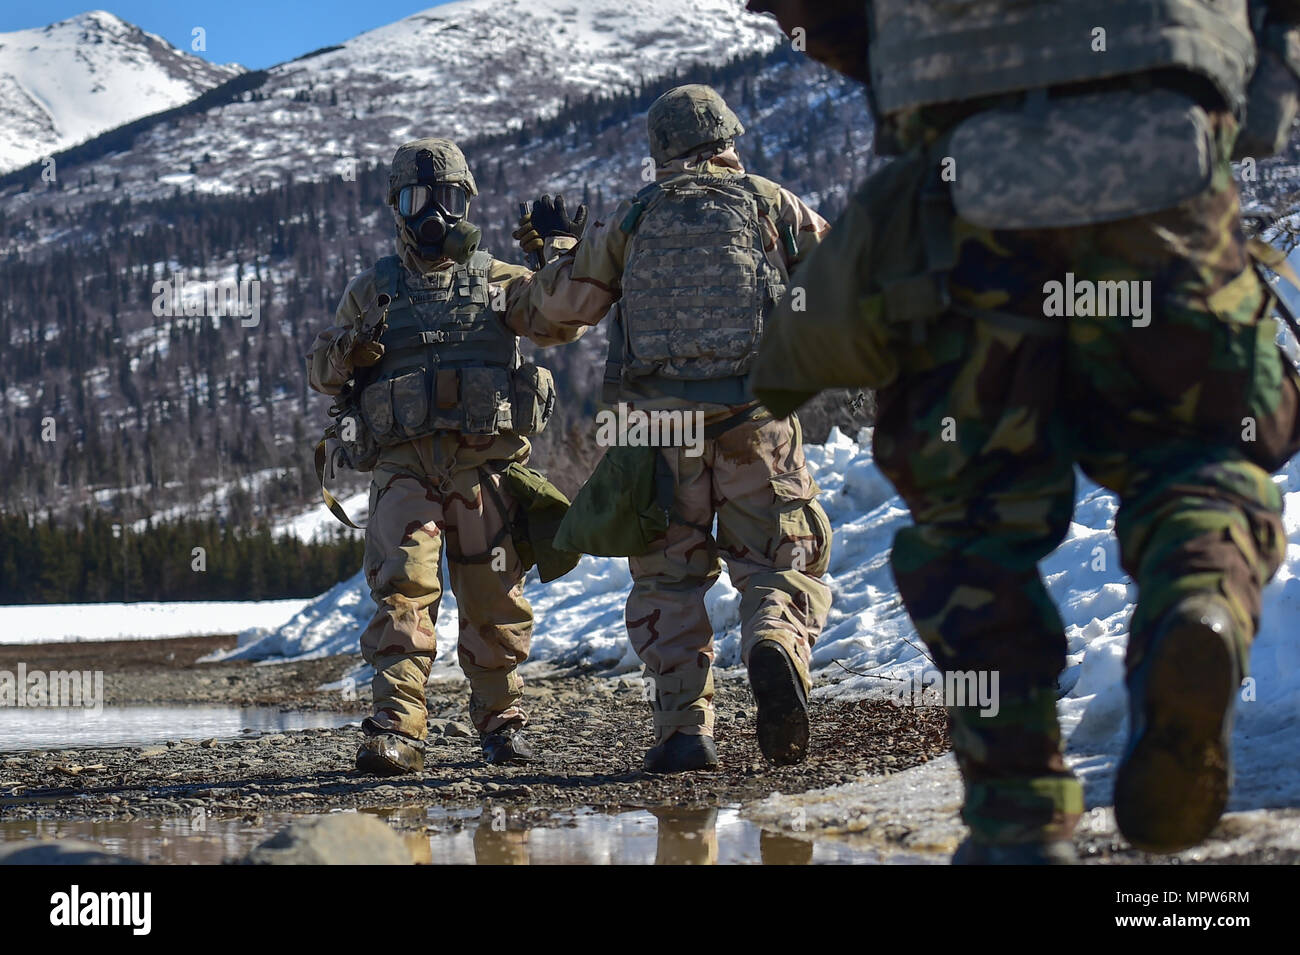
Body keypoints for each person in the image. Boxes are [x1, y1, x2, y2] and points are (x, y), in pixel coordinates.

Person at [746, 0, 1300, 862]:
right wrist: (1245, 97)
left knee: (972, 516)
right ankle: (1198, 607)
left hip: (966, 181)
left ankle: (1017, 812)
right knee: (1200, 450)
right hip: (1167, 150)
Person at [504, 85, 834, 773]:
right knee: (780, 560)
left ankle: (685, 729)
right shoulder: (771, 202)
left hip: (661, 431)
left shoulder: (632, 216)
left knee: (668, 577)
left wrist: (556, 256)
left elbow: (552, 316)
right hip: (755, 419)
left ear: (661, 150)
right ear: (726, 139)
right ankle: (774, 640)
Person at [306, 138, 578, 775]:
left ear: (468, 204)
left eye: (450, 200)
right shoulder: (371, 289)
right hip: (405, 469)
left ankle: (503, 723)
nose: (437, 215)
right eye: (420, 199)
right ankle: (396, 725)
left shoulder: (499, 280)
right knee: (404, 595)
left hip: (484, 471)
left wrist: (559, 257)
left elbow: (562, 321)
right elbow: (319, 370)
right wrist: (351, 348)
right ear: (398, 208)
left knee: (494, 600)